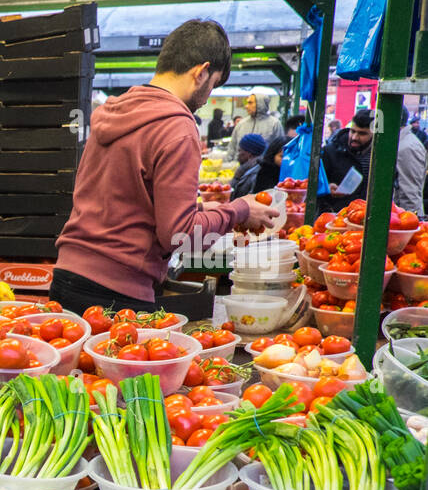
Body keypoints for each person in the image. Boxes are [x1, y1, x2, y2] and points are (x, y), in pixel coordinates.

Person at [51, 19, 277, 313]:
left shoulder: (115, 111)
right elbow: (178, 235)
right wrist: (239, 210)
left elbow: (132, 203)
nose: (208, 97)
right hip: (117, 295)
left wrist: (213, 211)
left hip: (66, 278)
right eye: (213, 85)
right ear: (201, 72)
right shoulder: (177, 127)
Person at [319, 109, 373, 213]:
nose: (354, 137)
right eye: (352, 131)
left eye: (362, 134)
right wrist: (327, 187)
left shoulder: (379, 157)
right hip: (336, 217)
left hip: (366, 216)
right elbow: (316, 183)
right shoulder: (331, 151)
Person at [395, 108, 427, 215]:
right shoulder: (401, 142)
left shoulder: (407, 147)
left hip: (405, 219)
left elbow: (410, 193)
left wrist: (410, 225)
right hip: (400, 216)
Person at [230, 132, 266, 198]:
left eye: (240, 151)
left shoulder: (255, 176)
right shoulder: (248, 169)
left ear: (249, 154)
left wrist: (236, 177)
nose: (238, 155)